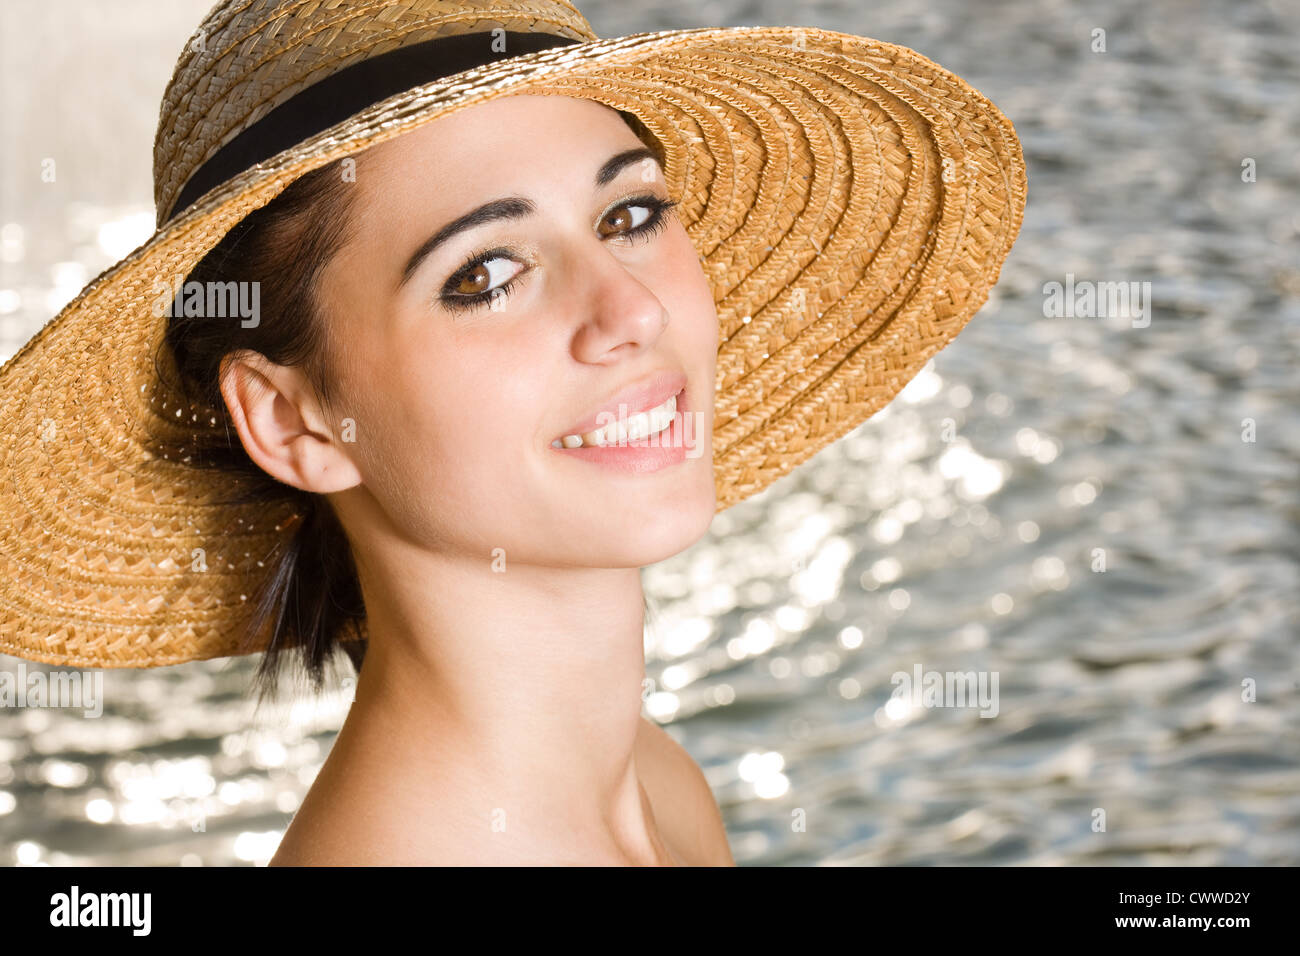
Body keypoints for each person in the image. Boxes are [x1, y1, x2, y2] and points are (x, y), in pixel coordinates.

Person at [0, 0, 1027, 866]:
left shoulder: (650, 781)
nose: (631, 312)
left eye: (628, 214)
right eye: (485, 273)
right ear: (292, 418)